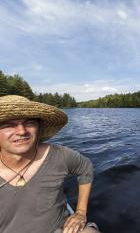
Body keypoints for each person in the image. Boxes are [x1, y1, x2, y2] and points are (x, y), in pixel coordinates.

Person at [0, 95, 98, 233]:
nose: (22, 131)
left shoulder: (59, 155)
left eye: (30, 123)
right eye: (8, 125)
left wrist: (81, 212)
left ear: (38, 128)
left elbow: (85, 167)